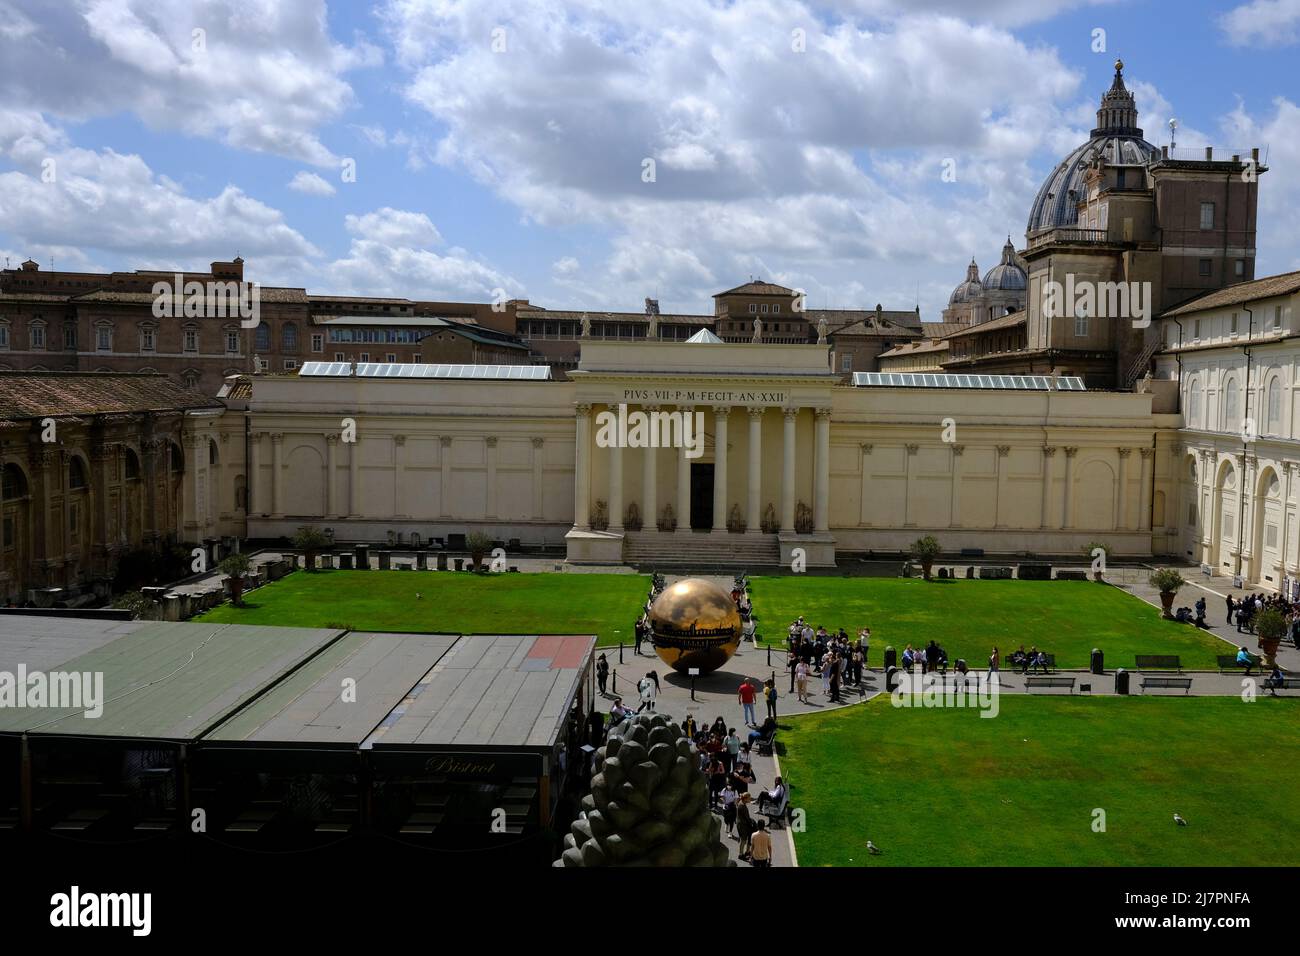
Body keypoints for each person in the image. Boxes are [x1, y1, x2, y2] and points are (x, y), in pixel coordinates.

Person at [736, 794, 755, 859]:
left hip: (742, 823)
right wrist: (751, 823)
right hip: (742, 825)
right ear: (745, 798)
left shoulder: (741, 803)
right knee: (743, 840)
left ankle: (746, 852)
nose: (750, 799)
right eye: (749, 798)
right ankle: (741, 854)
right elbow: (747, 817)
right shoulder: (742, 806)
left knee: (743, 839)